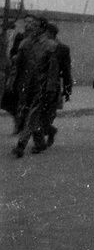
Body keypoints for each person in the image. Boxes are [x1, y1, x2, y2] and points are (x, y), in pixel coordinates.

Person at [12, 19, 59, 157]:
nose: (30, 28)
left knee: (32, 115)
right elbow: (17, 64)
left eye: (34, 26)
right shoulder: (25, 43)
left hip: (42, 86)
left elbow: (53, 70)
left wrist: (50, 88)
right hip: (26, 85)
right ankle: (40, 143)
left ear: (42, 29)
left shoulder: (50, 45)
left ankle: (21, 145)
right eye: (29, 26)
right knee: (30, 115)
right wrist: (13, 81)